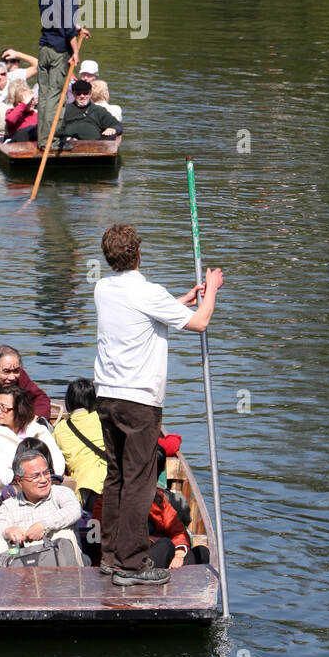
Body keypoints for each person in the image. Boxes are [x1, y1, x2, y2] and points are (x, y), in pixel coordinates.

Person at [94, 223, 223, 586]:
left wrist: (178, 301)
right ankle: (132, 565)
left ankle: (109, 556)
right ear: (138, 254)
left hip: (107, 396)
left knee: (117, 476)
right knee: (139, 482)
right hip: (138, 403)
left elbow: (144, 311)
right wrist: (211, 290)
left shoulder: (102, 288)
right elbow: (201, 322)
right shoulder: (148, 292)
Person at [0, 444, 83, 566]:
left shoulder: (61, 492)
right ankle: (12, 582)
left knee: (63, 535)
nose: (43, 479)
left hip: (60, 565)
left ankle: (67, 583)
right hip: (25, 567)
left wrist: (44, 525)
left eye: (46, 473)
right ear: (20, 481)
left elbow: (74, 510)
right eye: (36, 476)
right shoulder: (10, 505)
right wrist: (8, 531)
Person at [35, 0, 90, 147]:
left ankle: (42, 139)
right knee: (56, 96)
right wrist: (75, 51)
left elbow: (55, 18)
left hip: (44, 50)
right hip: (59, 52)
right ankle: (51, 141)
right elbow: (66, 27)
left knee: (43, 95)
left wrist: (77, 27)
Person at [0, 385, 65, 488]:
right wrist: (25, 482)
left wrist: (46, 478)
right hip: (12, 490)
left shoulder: (38, 429)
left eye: (4, 407)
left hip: (45, 484)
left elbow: (57, 460)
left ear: (19, 409)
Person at [147, 445, 210, 570]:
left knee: (201, 552)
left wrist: (179, 554)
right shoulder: (119, 497)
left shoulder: (158, 499)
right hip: (136, 561)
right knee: (166, 545)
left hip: (161, 556)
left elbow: (178, 530)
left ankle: (180, 585)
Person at [53, 378, 107, 509]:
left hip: (83, 490)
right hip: (110, 482)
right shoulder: (104, 419)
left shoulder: (60, 429)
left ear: (69, 401)